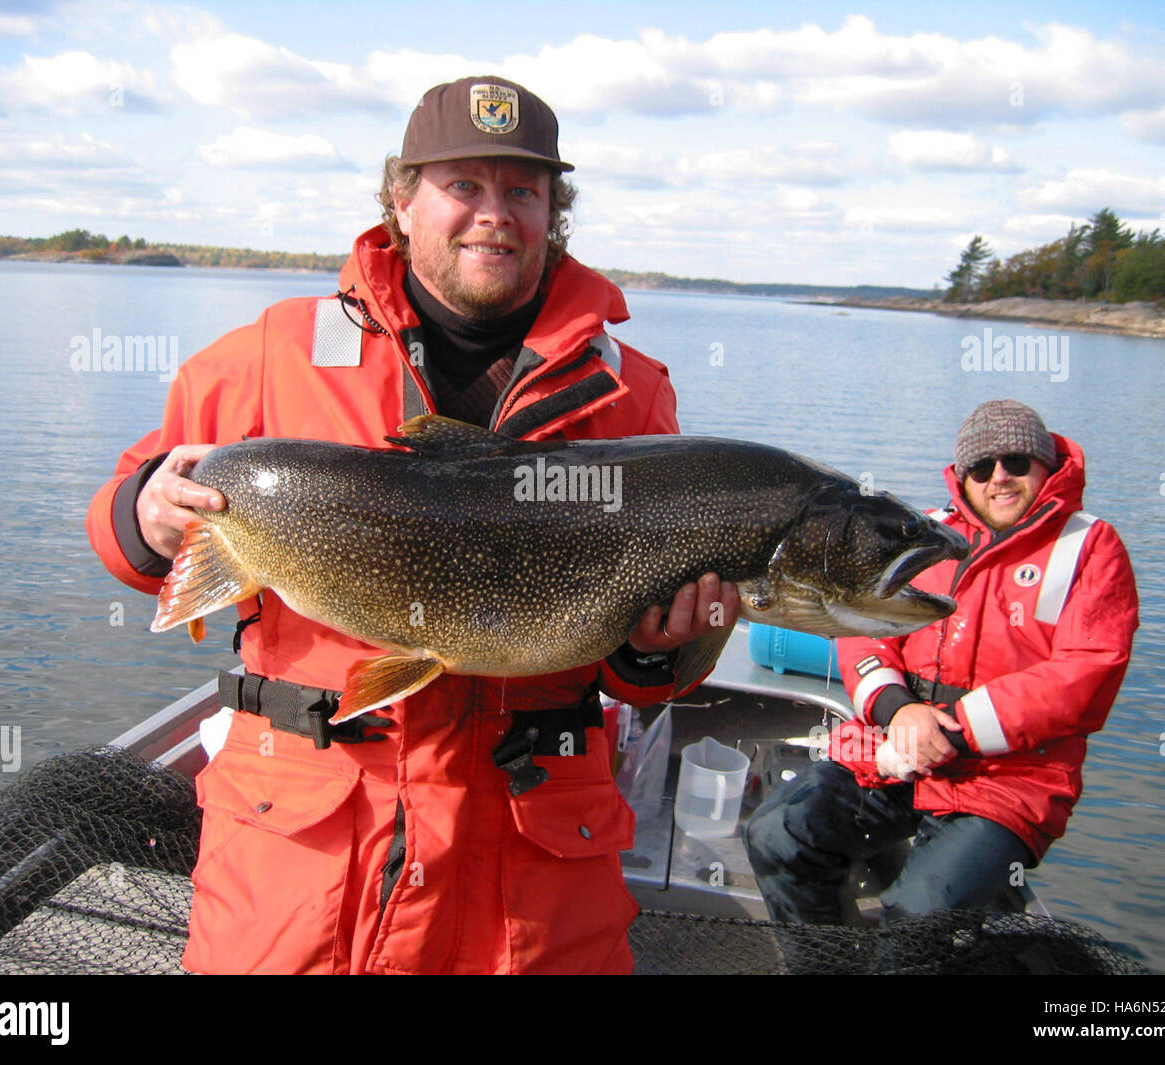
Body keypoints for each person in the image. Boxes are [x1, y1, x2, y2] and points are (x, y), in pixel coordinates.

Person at [87, 75, 739, 974]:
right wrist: (147, 513)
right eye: (462, 186)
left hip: (533, 884)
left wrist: (665, 649)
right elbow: (127, 516)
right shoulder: (270, 354)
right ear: (402, 198)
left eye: (523, 190)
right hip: (301, 869)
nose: (494, 214)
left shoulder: (633, 395)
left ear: (555, 211)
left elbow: (637, 669)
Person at [744, 399, 1138, 924]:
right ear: (962, 475)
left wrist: (953, 732)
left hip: (1008, 782)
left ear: (1047, 466)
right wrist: (896, 711)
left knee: (918, 918)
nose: (999, 477)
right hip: (889, 751)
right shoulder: (922, 534)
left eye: (1016, 462)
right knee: (776, 835)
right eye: (981, 466)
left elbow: (1085, 673)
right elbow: (862, 630)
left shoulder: (1091, 547)